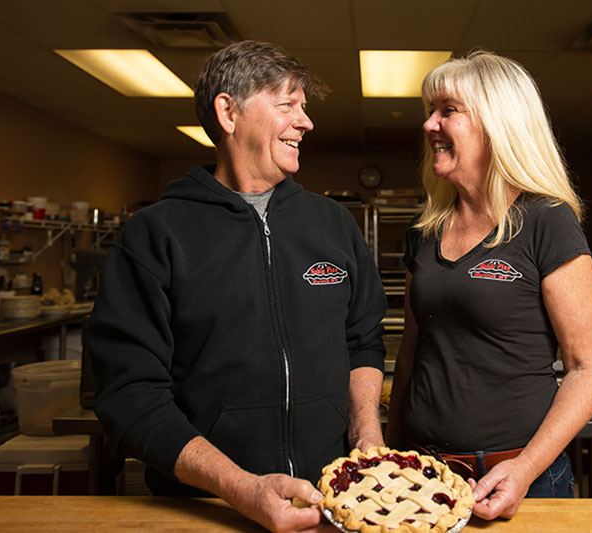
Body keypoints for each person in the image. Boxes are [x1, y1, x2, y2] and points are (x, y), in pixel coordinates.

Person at [87, 40, 387, 532]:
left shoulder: (333, 224)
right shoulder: (155, 235)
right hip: (208, 509)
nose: (306, 122)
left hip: (330, 502)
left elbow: (363, 340)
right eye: (287, 105)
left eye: (304, 108)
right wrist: (241, 488)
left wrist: (366, 434)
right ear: (228, 113)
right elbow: (129, 396)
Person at [385, 50, 592, 520]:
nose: (430, 125)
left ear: (497, 124)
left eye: (448, 111)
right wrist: (391, 444)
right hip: (420, 471)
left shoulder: (546, 221)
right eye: (430, 111)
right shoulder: (423, 231)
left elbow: (590, 365)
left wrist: (526, 468)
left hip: (513, 477)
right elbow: (412, 346)